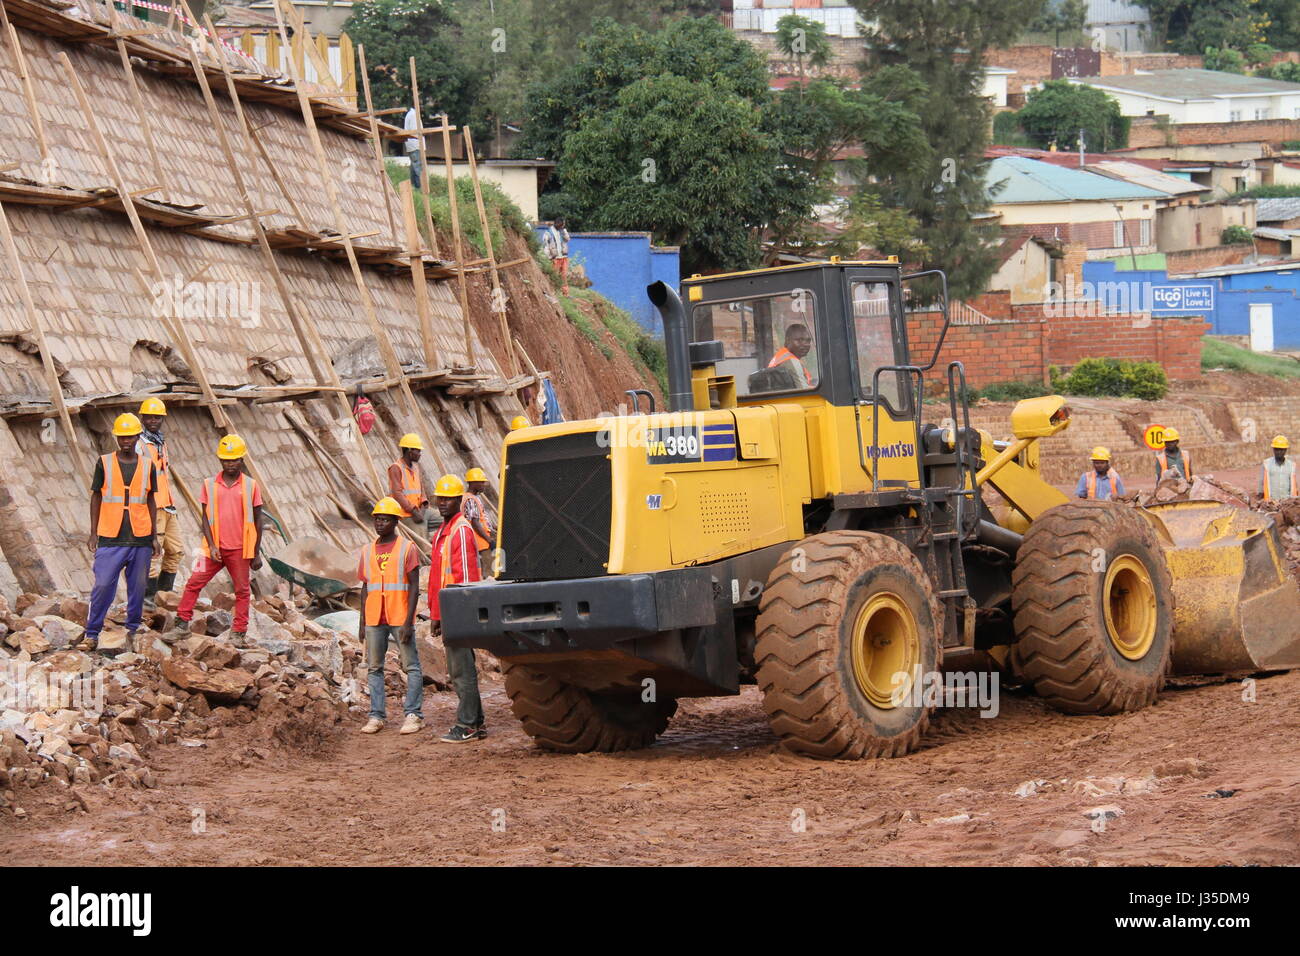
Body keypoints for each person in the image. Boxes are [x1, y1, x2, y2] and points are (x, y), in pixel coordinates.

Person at [170, 435, 264, 644]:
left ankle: (238, 633)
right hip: (213, 549)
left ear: (242, 459)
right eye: (226, 460)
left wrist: (256, 552)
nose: (230, 464)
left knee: (242, 590)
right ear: (220, 460)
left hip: (240, 549)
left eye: (234, 460)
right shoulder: (209, 484)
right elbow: (205, 517)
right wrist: (212, 545)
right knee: (194, 582)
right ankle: (181, 625)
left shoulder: (251, 486)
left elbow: (258, 520)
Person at [85, 413, 160, 655]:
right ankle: (92, 632)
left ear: (138, 436)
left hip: (140, 538)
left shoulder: (148, 465)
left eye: (130, 436)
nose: (126, 440)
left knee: (138, 587)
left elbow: (150, 499)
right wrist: (93, 532)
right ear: (117, 437)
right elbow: (96, 496)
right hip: (110, 536)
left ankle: (133, 628)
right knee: (104, 584)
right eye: (122, 436)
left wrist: (154, 536)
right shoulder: (104, 462)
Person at [358, 497, 424, 735]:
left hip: (399, 616)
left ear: (396, 521)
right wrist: (362, 621)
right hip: (375, 617)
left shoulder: (407, 548)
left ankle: (414, 714)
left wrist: (409, 621)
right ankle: (376, 716)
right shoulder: (367, 551)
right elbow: (365, 588)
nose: (380, 524)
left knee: (411, 666)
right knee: (374, 668)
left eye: (385, 519)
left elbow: (415, 587)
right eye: (377, 519)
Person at [428, 474, 485, 743]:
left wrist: (459, 615)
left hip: (458, 610)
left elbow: (464, 577)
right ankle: (476, 723)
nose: (442, 503)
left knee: (461, 669)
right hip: (448, 610)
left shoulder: (460, 530)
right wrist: (436, 614)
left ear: (459, 501)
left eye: (448, 499)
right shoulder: (444, 531)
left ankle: (468, 724)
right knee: (460, 667)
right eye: (440, 498)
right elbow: (437, 577)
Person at [137, 397, 182, 604]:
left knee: (176, 550)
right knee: (154, 554)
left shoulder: (160, 442)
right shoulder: (140, 444)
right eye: (149, 417)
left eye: (157, 417)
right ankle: (149, 599)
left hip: (168, 506)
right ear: (143, 418)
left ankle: (164, 595)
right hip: (152, 506)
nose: (153, 420)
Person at [388, 433, 433, 538]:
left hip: (419, 511)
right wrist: (414, 512)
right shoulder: (396, 468)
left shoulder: (416, 468)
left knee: (446, 519)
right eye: (418, 450)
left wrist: (421, 510)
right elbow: (397, 494)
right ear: (409, 451)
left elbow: (422, 492)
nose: (420, 454)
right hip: (406, 515)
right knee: (424, 541)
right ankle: (427, 551)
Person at [462, 467, 496, 576]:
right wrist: (489, 540)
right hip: (481, 542)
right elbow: (475, 523)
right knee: (490, 573)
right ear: (473, 483)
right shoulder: (471, 499)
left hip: (481, 540)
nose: (484, 484)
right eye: (481, 482)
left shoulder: (472, 497)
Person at [1259, 434, 1298, 501]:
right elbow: (1261, 482)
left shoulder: (1291, 465)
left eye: (1281, 450)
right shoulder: (1266, 464)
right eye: (1277, 449)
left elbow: (1294, 485)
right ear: (1273, 450)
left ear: (1285, 450)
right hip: (1271, 503)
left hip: (1287, 503)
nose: (1279, 452)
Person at [403, 105, 423, 190]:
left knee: (414, 166)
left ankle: (414, 187)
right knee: (417, 167)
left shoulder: (412, 114)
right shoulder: (414, 115)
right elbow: (417, 132)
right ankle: (418, 187)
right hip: (415, 145)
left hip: (413, 145)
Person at [553, 217, 570, 295]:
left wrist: (563, 232)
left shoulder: (563, 231)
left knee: (564, 275)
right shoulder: (551, 232)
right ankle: (554, 291)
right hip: (556, 258)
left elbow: (567, 239)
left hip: (564, 257)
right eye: (563, 223)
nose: (564, 225)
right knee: (554, 275)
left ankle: (565, 292)